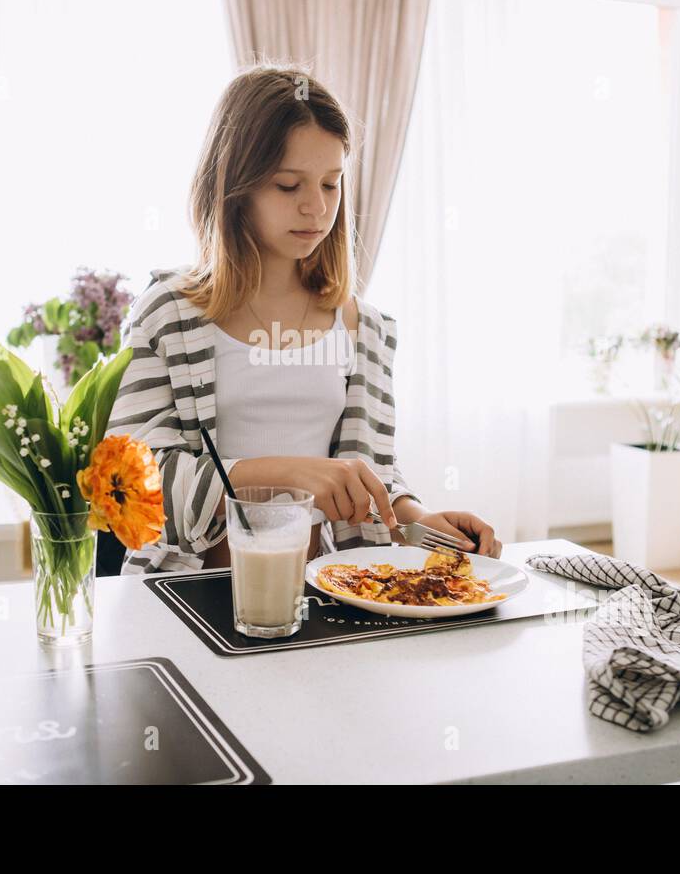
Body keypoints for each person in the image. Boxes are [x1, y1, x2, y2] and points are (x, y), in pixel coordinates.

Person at [106, 63, 500, 573]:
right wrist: (289, 474)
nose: (316, 208)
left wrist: (420, 522)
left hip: (319, 596)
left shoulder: (361, 326)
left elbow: (371, 476)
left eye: (332, 185)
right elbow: (129, 488)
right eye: (288, 186)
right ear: (234, 187)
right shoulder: (170, 313)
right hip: (187, 595)